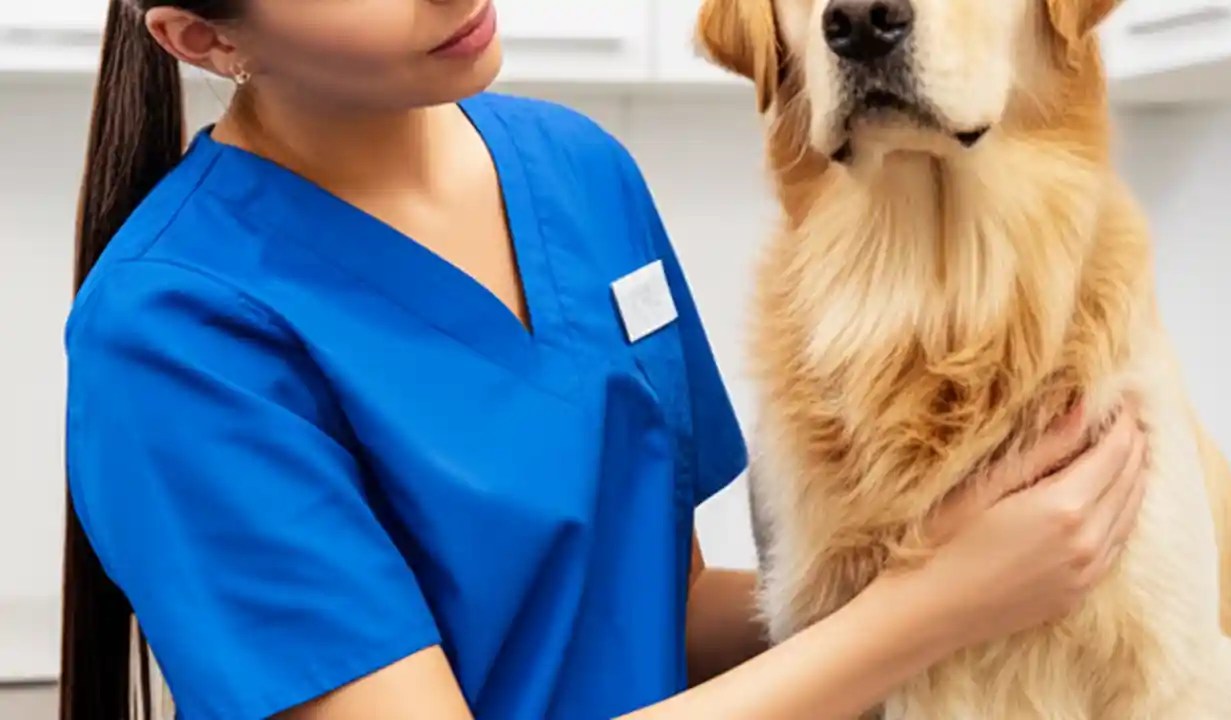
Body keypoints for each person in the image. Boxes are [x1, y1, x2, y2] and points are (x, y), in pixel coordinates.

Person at [60, 1, 1150, 719]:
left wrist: (954, 560)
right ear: (204, 39)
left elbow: (646, 606)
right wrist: (940, 604)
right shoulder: (172, 331)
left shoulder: (578, 171)